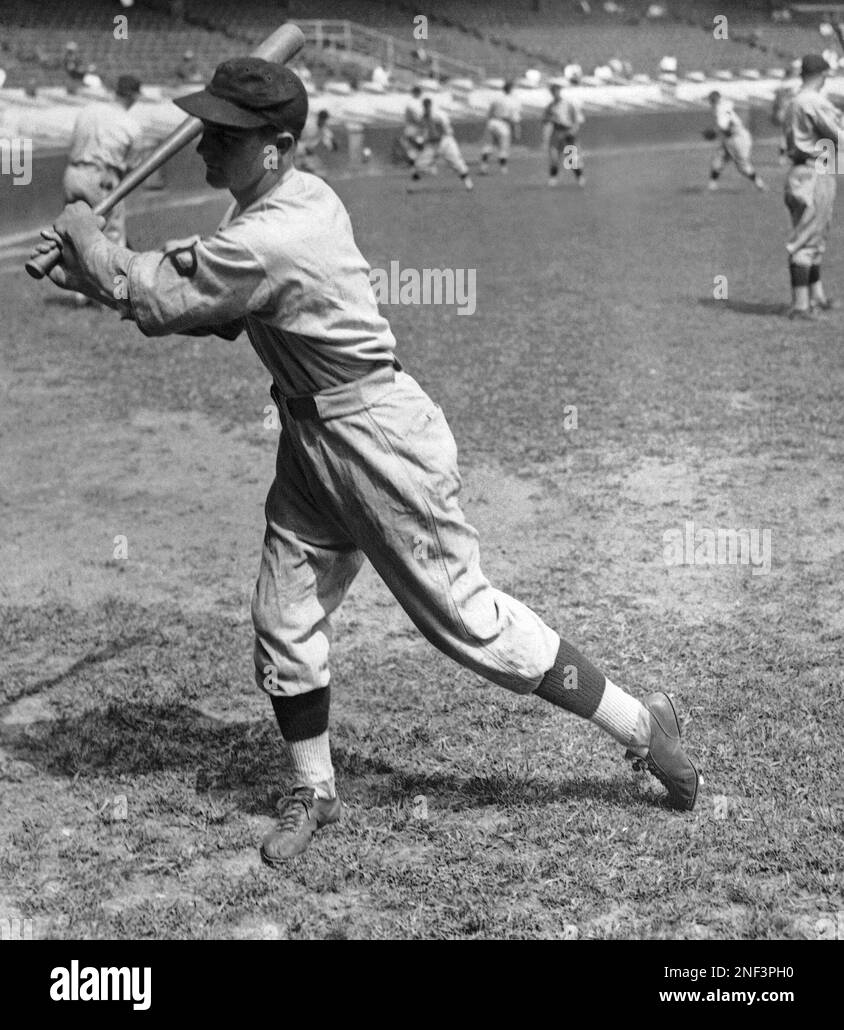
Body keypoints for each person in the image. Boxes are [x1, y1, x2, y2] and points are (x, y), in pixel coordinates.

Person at [31, 56, 700, 865]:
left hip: (378, 441)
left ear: (275, 147)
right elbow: (205, 301)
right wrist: (96, 267)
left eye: (225, 134)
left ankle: (638, 721)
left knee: (469, 624)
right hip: (312, 440)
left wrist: (92, 245)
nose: (204, 143)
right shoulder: (289, 200)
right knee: (283, 616)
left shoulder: (280, 229)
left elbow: (166, 296)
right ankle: (313, 788)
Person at [781, 53, 842, 321]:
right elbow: (837, 136)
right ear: (824, 74)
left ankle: (816, 298)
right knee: (806, 239)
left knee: (815, 236)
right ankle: (801, 305)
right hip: (814, 172)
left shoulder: (797, 100)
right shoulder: (812, 101)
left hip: (810, 170)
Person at [62, 73, 143, 251]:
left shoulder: (89, 109)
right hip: (102, 178)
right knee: (111, 241)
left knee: (72, 233)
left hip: (73, 174)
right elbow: (131, 168)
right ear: (134, 96)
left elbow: (72, 142)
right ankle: (114, 278)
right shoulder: (131, 125)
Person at [706, 91, 766, 192]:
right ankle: (712, 186)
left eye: (712, 100)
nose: (711, 103)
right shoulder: (724, 104)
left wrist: (713, 132)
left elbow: (723, 126)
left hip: (738, 138)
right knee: (718, 159)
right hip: (731, 137)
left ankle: (759, 184)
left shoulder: (720, 109)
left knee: (743, 167)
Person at [412, 95, 473, 191]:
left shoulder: (438, 115)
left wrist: (423, 140)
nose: (426, 107)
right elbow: (422, 131)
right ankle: (413, 186)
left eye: (428, 105)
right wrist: (420, 140)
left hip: (446, 142)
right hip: (432, 144)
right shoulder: (423, 117)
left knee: (457, 163)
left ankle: (469, 184)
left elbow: (442, 132)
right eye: (424, 106)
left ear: (431, 105)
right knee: (420, 164)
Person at [545, 81, 585, 187]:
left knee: (571, 159)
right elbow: (545, 119)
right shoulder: (550, 106)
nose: (554, 93)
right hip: (556, 132)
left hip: (567, 132)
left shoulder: (567, 104)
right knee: (553, 157)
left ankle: (579, 177)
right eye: (552, 91)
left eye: (556, 91)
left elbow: (576, 120)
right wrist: (549, 119)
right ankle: (553, 178)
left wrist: (572, 131)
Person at [478, 81, 521, 176]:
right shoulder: (513, 101)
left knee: (488, 146)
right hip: (503, 124)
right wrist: (517, 131)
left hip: (492, 122)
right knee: (503, 148)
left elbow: (489, 113)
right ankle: (503, 169)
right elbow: (515, 118)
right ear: (511, 89)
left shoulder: (497, 99)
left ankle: (483, 167)